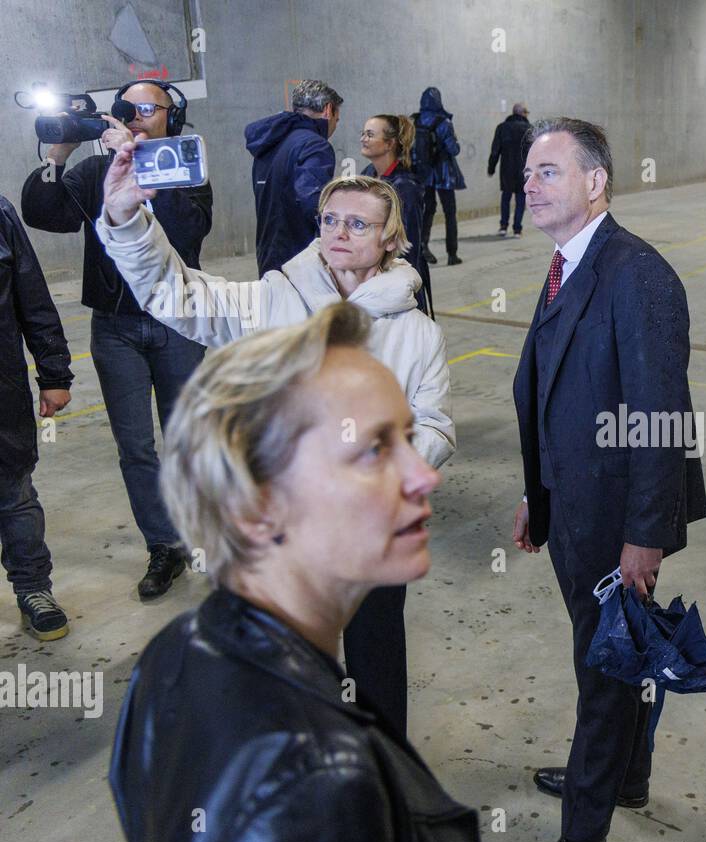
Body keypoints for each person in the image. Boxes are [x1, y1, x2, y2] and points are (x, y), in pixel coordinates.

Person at [96, 149, 454, 738]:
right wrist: (129, 220)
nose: (339, 233)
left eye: (357, 224)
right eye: (329, 220)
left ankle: (382, 781)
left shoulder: (416, 332)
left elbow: (435, 425)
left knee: (377, 665)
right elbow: (176, 293)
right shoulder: (273, 300)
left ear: (391, 240)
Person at [109, 301, 481, 842]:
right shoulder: (322, 785)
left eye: (409, 438)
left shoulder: (171, 655)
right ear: (258, 506)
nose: (424, 474)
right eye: (374, 450)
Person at [511, 118, 706, 842]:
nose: (530, 184)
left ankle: (583, 838)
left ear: (596, 183)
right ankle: (625, 775)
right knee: (612, 654)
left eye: (549, 172)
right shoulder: (567, 262)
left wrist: (646, 536)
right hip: (572, 505)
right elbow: (554, 389)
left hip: (620, 517)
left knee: (603, 669)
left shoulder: (637, 274)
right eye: (528, 173)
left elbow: (661, 416)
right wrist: (539, 491)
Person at [21, 79, 211, 601]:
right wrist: (56, 158)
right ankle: (164, 546)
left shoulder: (186, 163)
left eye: (149, 108)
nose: (136, 114)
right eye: (129, 107)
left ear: (173, 116)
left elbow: (186, 232)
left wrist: (138, 164)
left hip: (178, 321)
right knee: (135, 447)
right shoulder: (95, 170)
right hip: (115, 327)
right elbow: (46, 213)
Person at [1, 195, 73, 641]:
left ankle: (33, 590)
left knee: (14, 495)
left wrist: (54, 373)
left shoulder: (0, 215)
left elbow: (33, 296)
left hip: (1, 393)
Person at [246, 79, 342, 276]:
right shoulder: (315, 145)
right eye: (336, 119)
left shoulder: (269, 143)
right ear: (328, 110)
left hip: (268, 255)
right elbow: (314, 203)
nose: (334, 125)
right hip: (301, 260)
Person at [361, 114, 432, 314]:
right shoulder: (367, 174)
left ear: (389, 143)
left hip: (395, 283)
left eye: (370, 134)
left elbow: (408, 247)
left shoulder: (405, 187)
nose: (363, 138)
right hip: (370, 277)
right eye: (363, 133)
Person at [411, 87, 465, 265]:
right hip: (443, 174)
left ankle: (423, 245)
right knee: (450, 213)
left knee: (428, 210)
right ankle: (452, 253)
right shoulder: (443, 122)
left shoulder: (415, 120)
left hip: (423, 173)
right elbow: (454, 149)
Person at [488, 102, 530, 237]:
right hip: (523, 171)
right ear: (523, 113)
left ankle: (503, 227)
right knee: (520, 199)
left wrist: (491, 167)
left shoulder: (502, 128)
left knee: (505, 197)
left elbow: (495, 151)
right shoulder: (529, 129)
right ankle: (517, 229)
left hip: (506, 170)